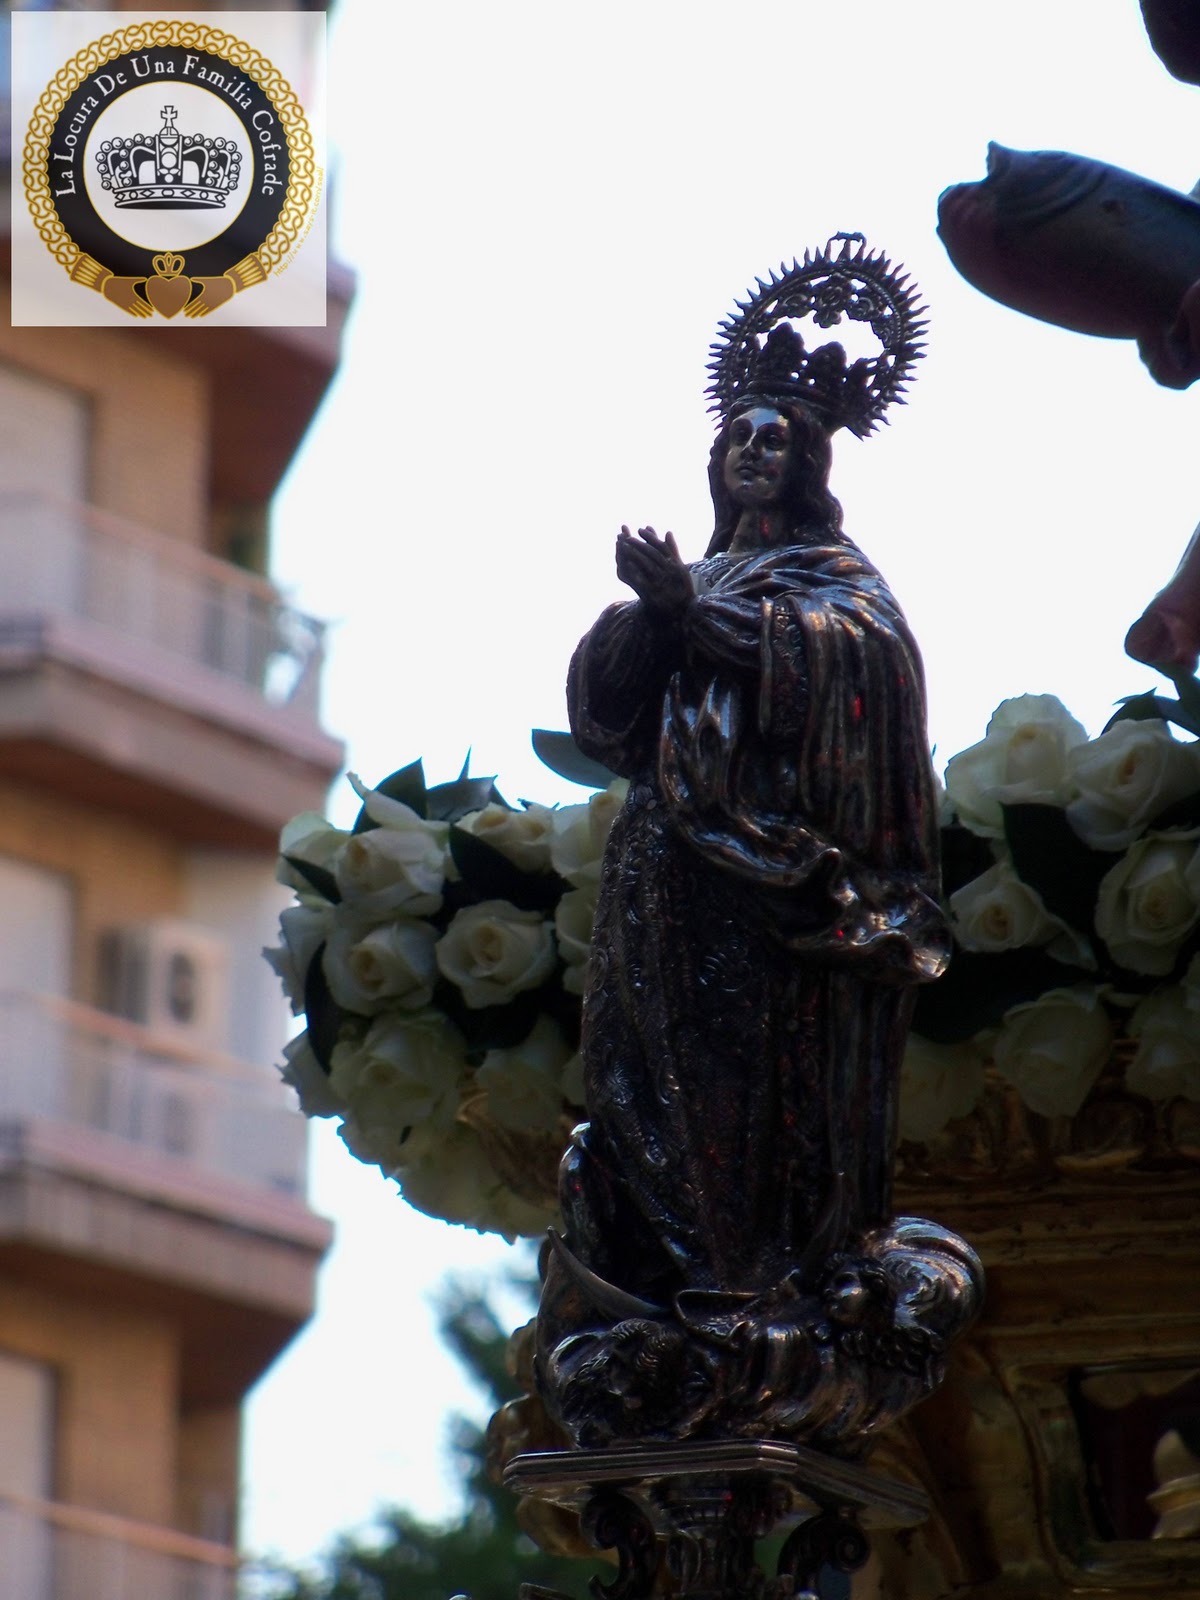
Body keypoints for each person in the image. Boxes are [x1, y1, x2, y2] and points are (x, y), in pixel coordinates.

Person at [535, 247, 978, 1450]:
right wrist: (648, 620)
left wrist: (701, 615)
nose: (752, 451)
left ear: (816, 464)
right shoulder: (700, 577)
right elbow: (610, 719)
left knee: (739, 1081)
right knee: (637, 1073)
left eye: (776, 438)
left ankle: (741, 1278)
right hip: (657, 875)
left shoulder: (834, 582)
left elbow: (858, 666)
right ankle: (660, 1279)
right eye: (737, 435)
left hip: (768, 890)